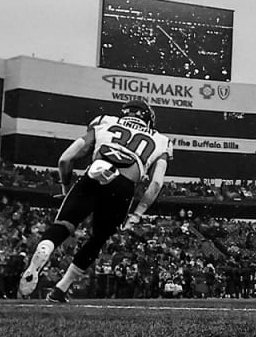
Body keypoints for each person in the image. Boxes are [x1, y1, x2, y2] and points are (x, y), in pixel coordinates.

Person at [18, 98, 172, 302]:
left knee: (64, 225)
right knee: (97, 238)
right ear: (148, 119)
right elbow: (156, 184)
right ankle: (61, 289)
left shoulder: (105, 121)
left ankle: (44, 249)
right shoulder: (161, 140)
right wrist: (138, 213)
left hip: (94, 173)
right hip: (123, 186)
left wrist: (66, 188)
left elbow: (65, 158)